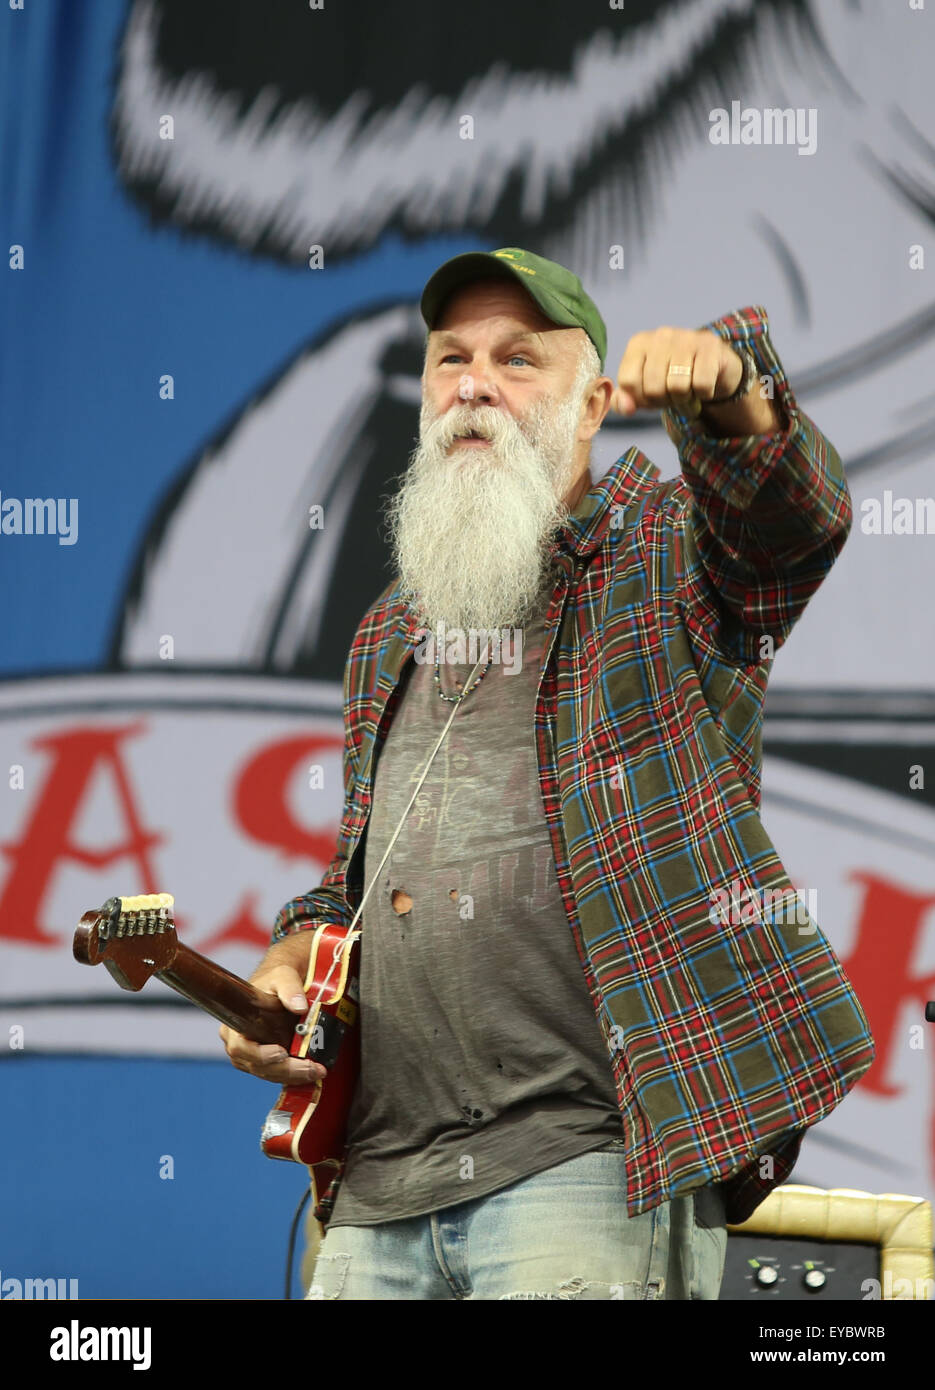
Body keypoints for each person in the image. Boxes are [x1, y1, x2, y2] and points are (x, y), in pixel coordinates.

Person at [219, 247, 875, 1300]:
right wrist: (293, 953)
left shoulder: (665, 551)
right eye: (450, 358)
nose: (473, 384)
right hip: (378, 1184)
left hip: (585, 1163)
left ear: (594, 404)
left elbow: (790, 523)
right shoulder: (390, 627)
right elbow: (355, 878)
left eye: (517, 359)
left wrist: (729, 393)